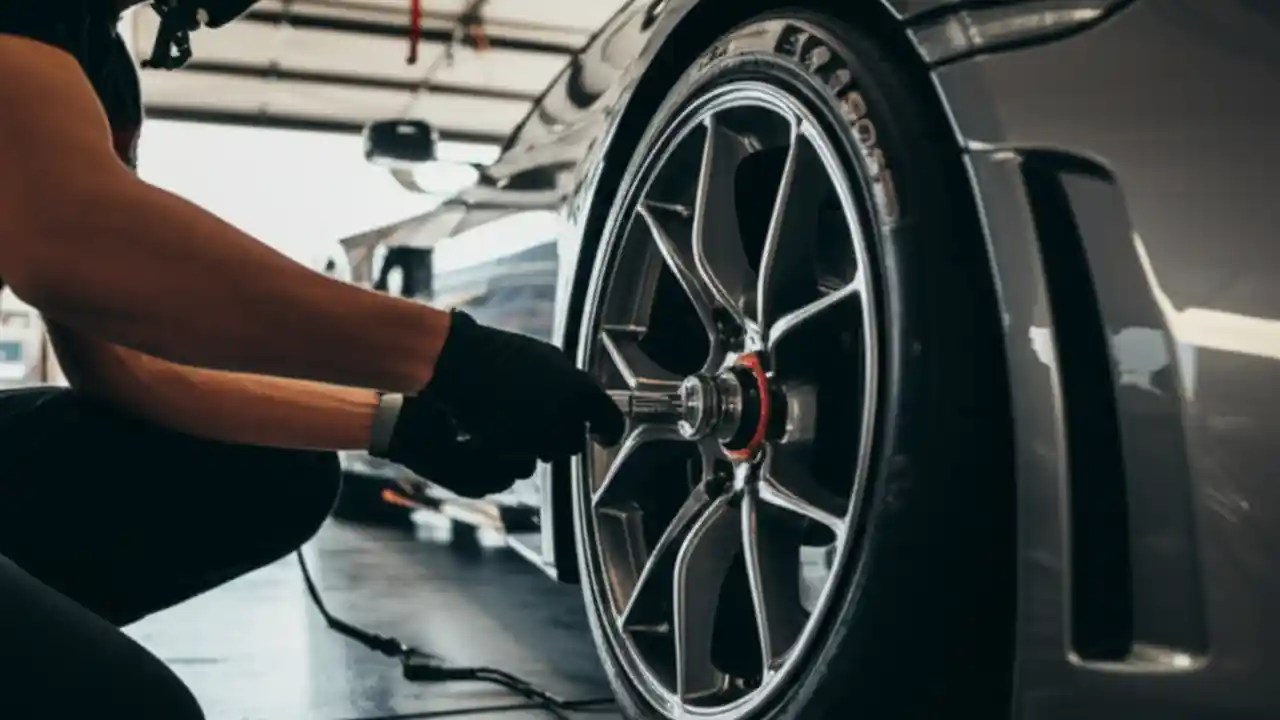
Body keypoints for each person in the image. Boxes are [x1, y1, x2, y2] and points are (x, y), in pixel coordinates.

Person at [0, 1, 625, 716]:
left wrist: (395, 424)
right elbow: (72, 240)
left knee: (278, 469)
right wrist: (453, 354)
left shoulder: (96, 58)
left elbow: (120, 368)